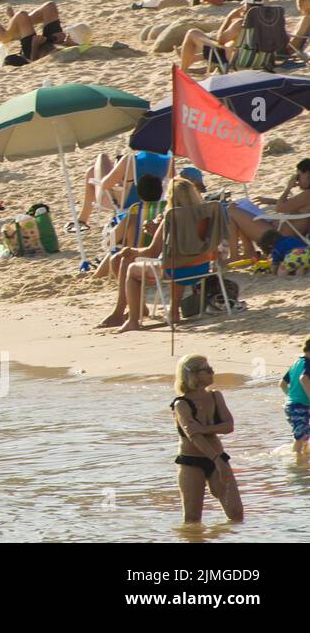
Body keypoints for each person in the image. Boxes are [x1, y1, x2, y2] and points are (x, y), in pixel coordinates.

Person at [100, 176, 212, 332]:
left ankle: (133, 320)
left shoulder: (171, 217)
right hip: (202, 267)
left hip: (175, 269)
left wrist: (130, 250)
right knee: (177, 259)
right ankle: (173, 312)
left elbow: (151, 252)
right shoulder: (207, 214)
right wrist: (158, 233)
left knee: (131, 268)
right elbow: (188, 244)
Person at [171, 354, 243, 523]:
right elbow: (194, 436)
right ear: (194, 374)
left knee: (236, 514)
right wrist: (216, 459)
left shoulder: (215, 396)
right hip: (191, 461)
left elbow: (229, 425)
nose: (212, 373)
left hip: (218, 458)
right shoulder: (181, 404)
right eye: (207, 370)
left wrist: (205, 428)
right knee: (192, 519)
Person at [0, 2, 81, 66]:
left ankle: (7, 35)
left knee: (22, 15)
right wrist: (68, 42)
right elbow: (80, 48)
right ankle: (17, 26)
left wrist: (35, 46)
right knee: (50, 6)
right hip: (54, 42)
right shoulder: (76, 53)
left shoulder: (59, 63)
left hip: (33, 50)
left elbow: (33, 63)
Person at [281, 338, 310, 461]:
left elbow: (282, 383)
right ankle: (297, 465)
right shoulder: (308, 363)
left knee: (303, 435)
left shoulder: (296, 363)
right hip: (299, 406)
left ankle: (303, 459)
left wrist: (290, 397)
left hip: (293, 405)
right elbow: (303, 378)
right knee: (301, 437)